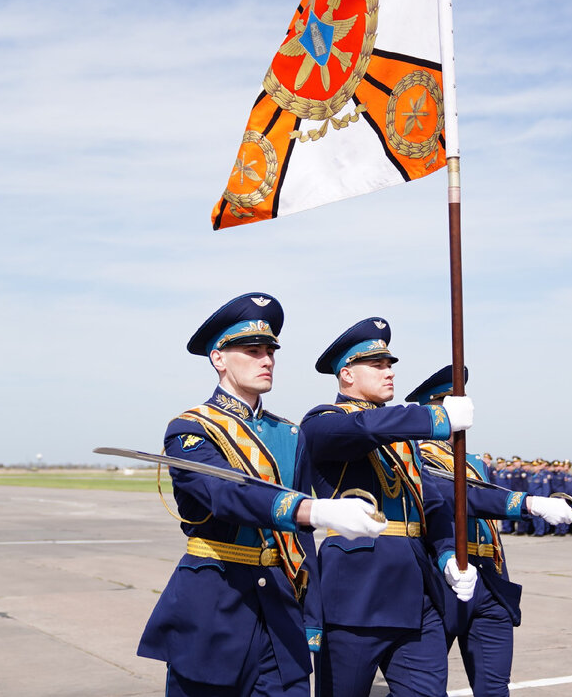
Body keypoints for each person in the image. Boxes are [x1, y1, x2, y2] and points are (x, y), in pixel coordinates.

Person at [138, 293, 386, 697]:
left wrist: (312, 617)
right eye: (252, 351)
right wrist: (312, 509)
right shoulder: (191, 429)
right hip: (214, 604)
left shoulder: (289, 434)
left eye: (270, 352)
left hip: (281, 610)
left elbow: (301, 541)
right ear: (219, 358)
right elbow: (224, 494)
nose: (267, 360)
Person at [300, 317, 477, 697]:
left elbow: (432, 504)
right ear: (346, 375)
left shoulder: (404, 439)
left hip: (416, 594)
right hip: (354, 596)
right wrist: (436, 416)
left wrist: (447, 553)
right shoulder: (324, 421)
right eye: (377, 365)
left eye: (390, 364)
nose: (389, 372)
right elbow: (363, 429)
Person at [409, 365, 572, 697]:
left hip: (488, 576)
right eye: (450, 404)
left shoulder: (476, 461)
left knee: (494, 687)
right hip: (441, 579)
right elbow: (460, 495)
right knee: (421, 689)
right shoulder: (418, 458)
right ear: (434, 409)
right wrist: (528, 503)